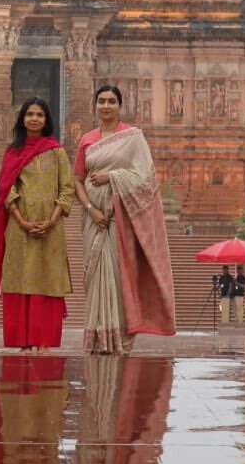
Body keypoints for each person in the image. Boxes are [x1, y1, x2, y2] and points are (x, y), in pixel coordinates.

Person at [72, 83, 177, 354]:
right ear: (95, 105)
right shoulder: (87, 140)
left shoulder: (132, 137)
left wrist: (112, 176)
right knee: (95, 277)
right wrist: (91, 209)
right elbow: (78, 180)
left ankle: (118, 338)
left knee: (119, 278)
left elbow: (145, 179)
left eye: (111, 101)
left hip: (121, 220)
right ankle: (97, 338)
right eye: (101, 101)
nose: (106, 106)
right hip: (93, 219)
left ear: (120, 105)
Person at [0, 97, 74, 354]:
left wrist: (52, 220)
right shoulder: (13, 152)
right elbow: (7, 189)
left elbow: (67, 188)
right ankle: (23, 342)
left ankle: (44, 341)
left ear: (46, 120)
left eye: (40, 115)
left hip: (51, 229)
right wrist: (21, 220)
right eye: (30, 114)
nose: (34, 119)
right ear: (22, 119)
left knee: (47, 279)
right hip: (19, 228)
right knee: (20, 278)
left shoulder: (57, 151)